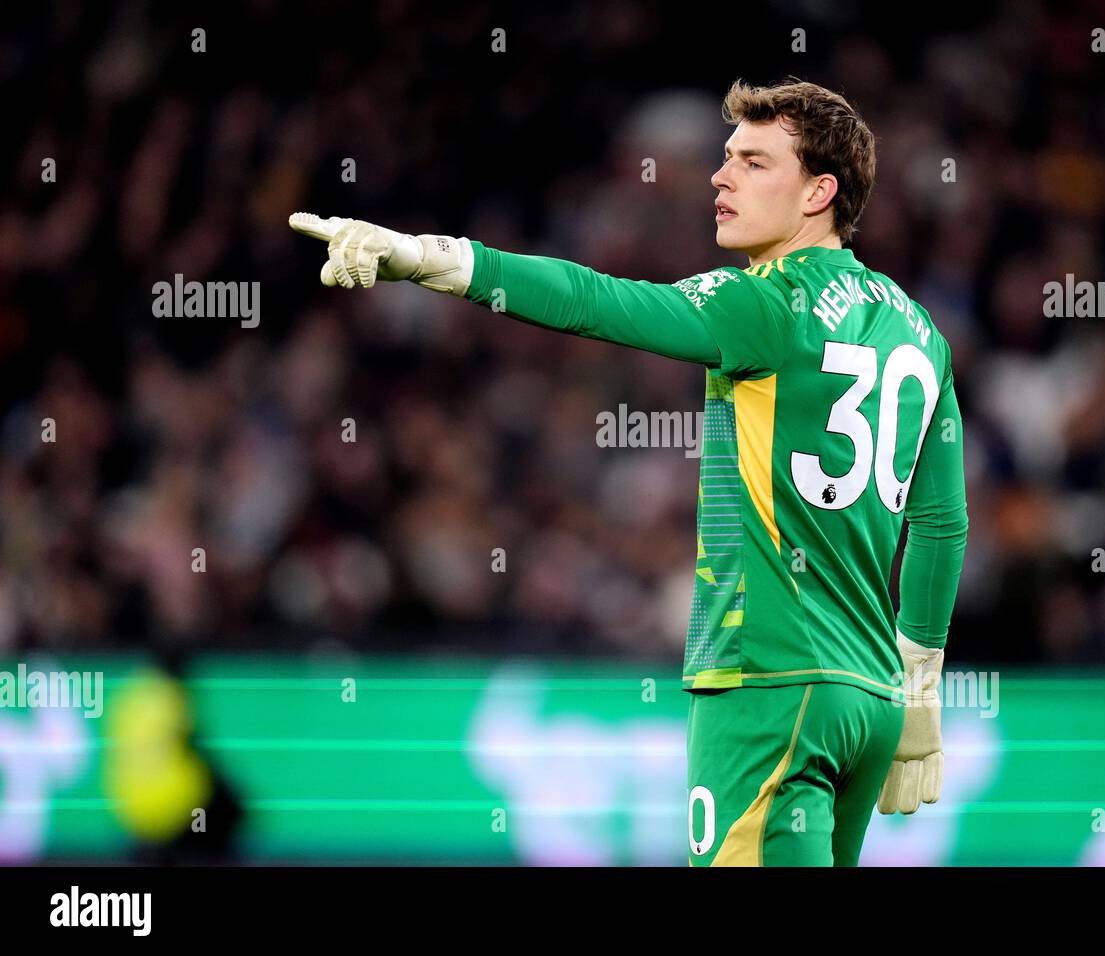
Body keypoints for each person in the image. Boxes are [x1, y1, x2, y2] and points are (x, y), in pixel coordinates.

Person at [290, 77, 968, 866]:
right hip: (868, 698)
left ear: (820, 192)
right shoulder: (919, 329)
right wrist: (918, 687)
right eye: (726, 159)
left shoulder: (766, 303)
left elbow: (592, 299)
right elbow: (942, 523)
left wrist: (425, 258)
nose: (721, 177)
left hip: (768, 686)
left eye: (752, 162)